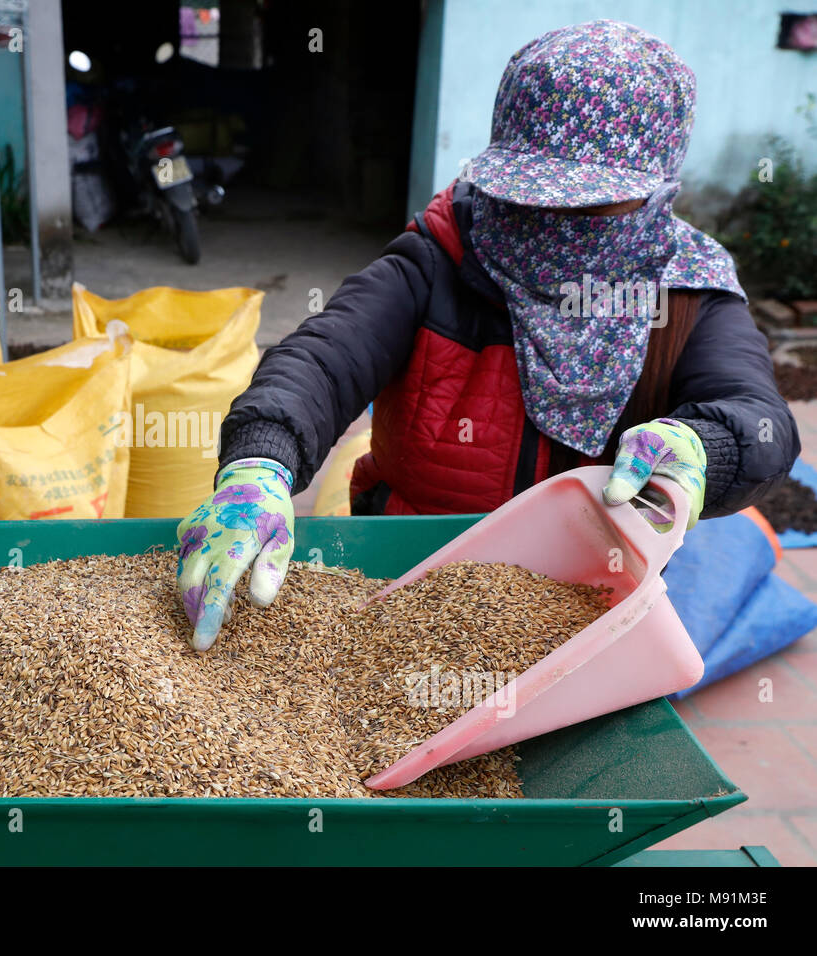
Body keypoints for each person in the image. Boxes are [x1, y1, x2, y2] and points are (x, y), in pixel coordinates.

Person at [176, 20, 799, 651]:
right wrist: (260, 460)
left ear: (654, 193)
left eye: (587, 206)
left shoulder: (689, 292)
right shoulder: (438, 259)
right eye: (534, 198)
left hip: (588, 604)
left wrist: (703, 448)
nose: (553, 222)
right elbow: (324, 357)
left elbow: (758, 420)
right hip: (405, 579)